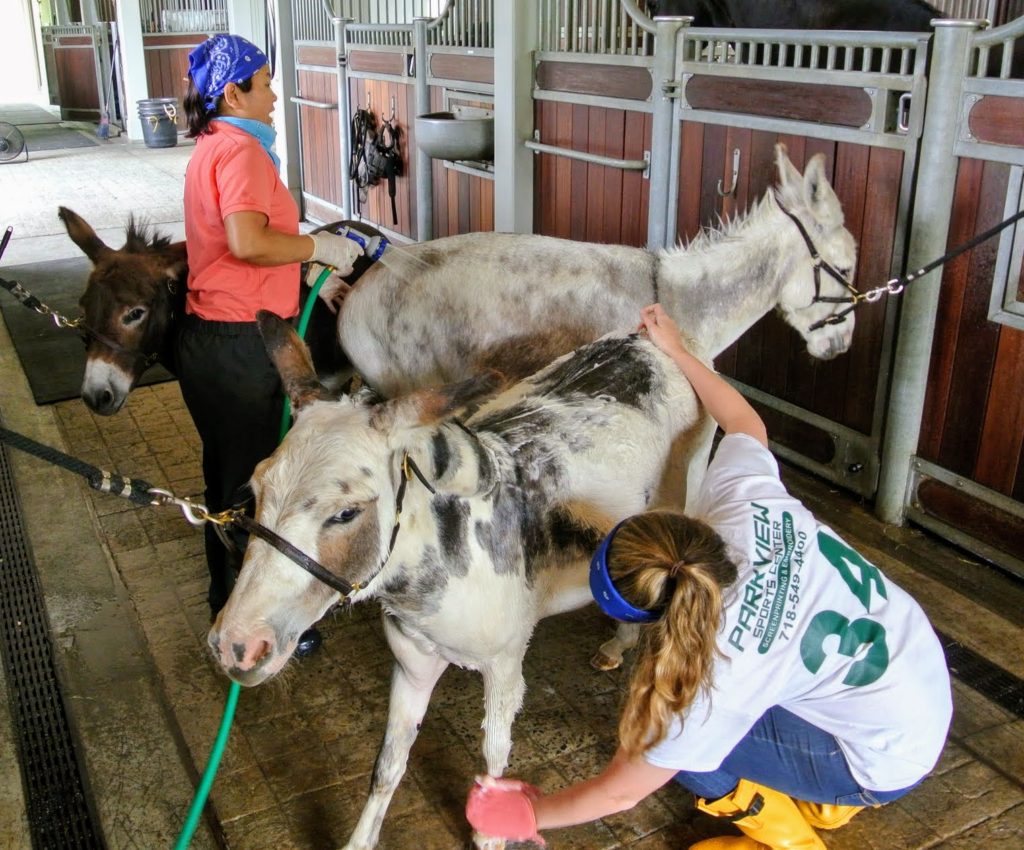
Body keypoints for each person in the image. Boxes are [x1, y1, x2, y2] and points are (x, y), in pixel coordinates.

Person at [466, 303, 953, 849]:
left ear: (648, 615)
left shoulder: (709, 677)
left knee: (677, 754)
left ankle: (792, 838)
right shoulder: (743, 505)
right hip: (916, 673)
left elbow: (621, 792)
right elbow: (747, 423)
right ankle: (814, 784)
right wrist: (679, 351)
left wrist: (528, 815)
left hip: (883, 759)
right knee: (677, 729)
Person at [179, 34, 361, 656]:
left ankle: (224, 596)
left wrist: (310, 274)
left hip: (212, 338)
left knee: (225, 471)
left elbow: (247, 242)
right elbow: (248, 242)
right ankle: (246, 623)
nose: (274, 95)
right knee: (253, 484)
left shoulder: (212, 145)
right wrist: (321, 247)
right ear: (233, 92)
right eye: (262, 83)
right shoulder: (242, 152)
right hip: (241, 345)